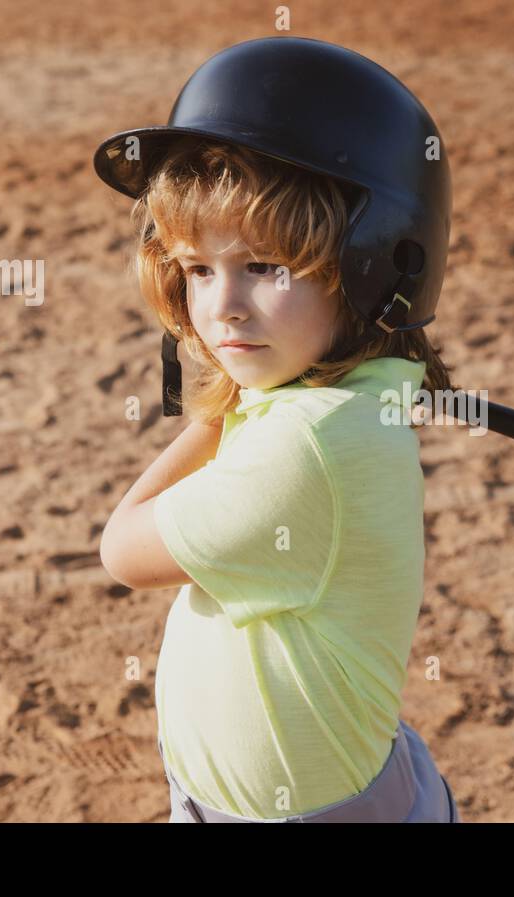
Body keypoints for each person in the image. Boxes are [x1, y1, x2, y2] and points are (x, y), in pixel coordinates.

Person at [94, 38, 461, 823]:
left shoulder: (306, 447)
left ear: (366, 270)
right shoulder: (344, 399)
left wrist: (215, 405)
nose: (222, 305)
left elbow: (120, 548)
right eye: (197, 268)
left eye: (264, 266)